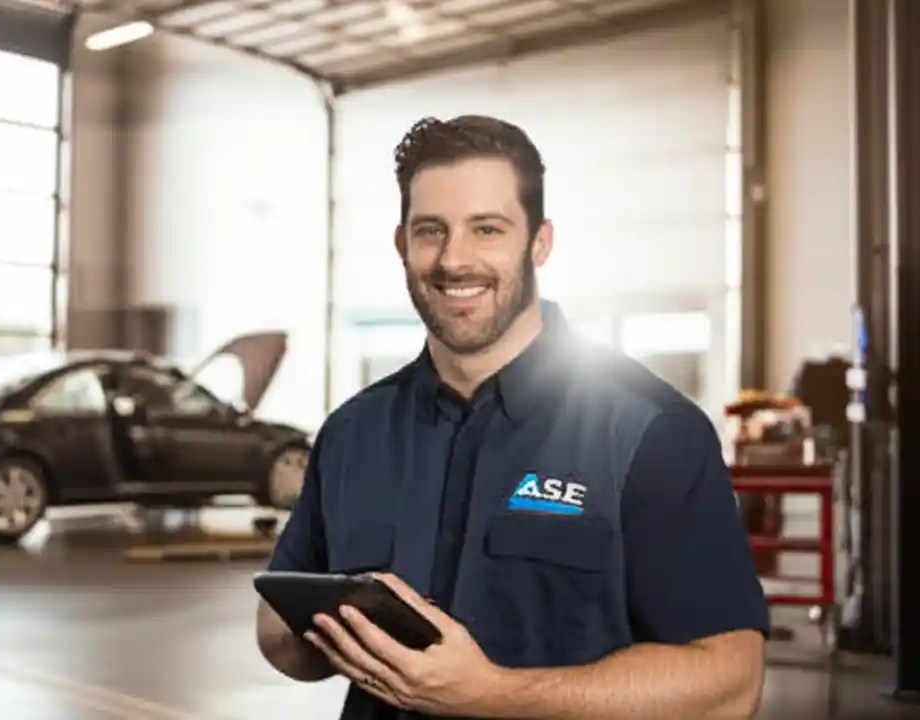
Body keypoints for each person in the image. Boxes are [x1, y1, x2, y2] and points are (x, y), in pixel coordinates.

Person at [255, 114, 770, 719]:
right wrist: (336, 638)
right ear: (402, 245)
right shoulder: (353, 432)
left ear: (540, 242)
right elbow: (277, 623)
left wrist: (489, 693)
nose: (454, 260)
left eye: (487, 229)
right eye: (430, 231)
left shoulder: (649, 430)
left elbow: (730, 682)